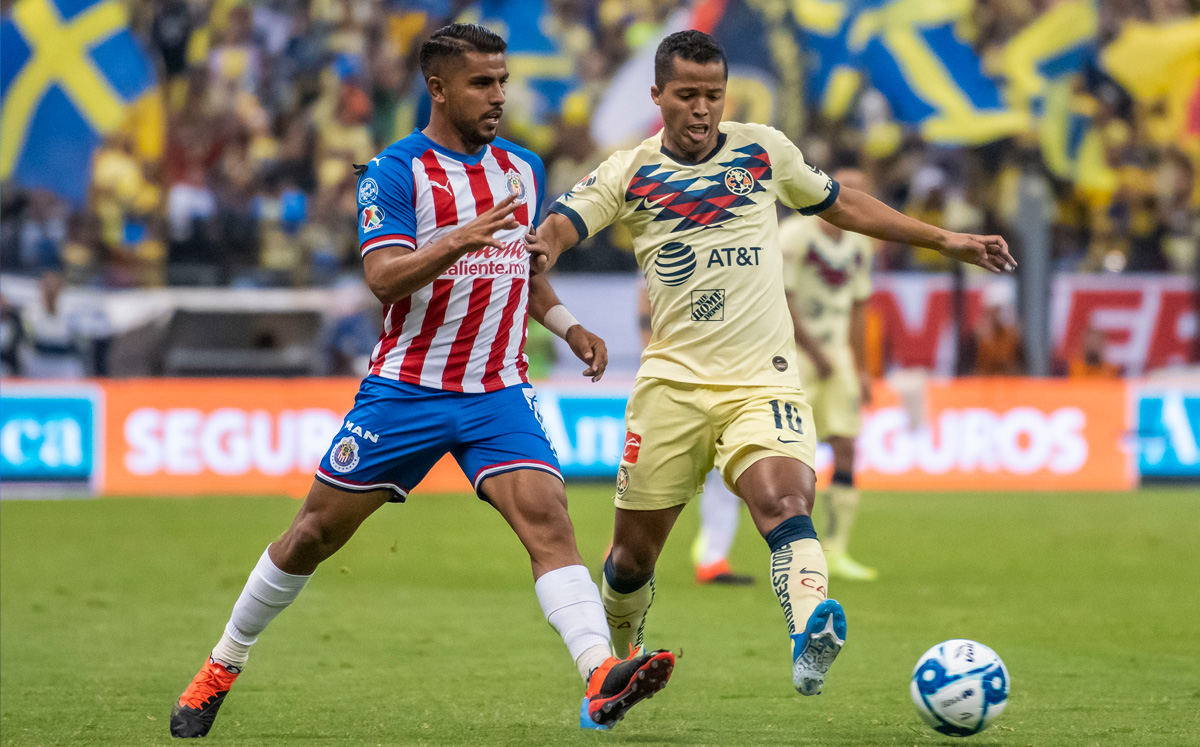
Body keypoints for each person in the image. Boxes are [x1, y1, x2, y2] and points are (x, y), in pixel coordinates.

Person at [169, 24, 674, 740]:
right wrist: (459, 238)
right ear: (437, 88)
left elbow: (524, 272)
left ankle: (598, 675)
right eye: (481, 83)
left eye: (502, 81)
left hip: (497, 390)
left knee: (551, 523)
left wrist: (566, 325)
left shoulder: (523, 169)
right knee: (313, 534)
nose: (498, 96)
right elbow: (383, 277)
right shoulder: (393, 171)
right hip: (407, 390)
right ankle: (223, 661)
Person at [528, 30, 1015, 698]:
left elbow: (840, 201)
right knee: (631, 559)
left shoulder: (762, 151)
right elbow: (561, 223)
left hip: (763, 379)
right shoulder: (628, 171)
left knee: (785, 499)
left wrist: (945, 238)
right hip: (671, 387)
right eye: (687, 95)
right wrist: (543, 249)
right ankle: (618, 658)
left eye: (713, 95)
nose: (703, 109)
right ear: (657, 97)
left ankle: (810, 628)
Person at [779, 168, 878, 582]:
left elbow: (859, 306)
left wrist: (862, 366)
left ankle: (837, 550)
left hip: (836, 359)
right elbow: (779, 297)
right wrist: (815, 352)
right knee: (792, 456)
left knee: (847, 447)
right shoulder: (794, 235)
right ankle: (794, 549)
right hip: (793, 356)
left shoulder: (860, 244)